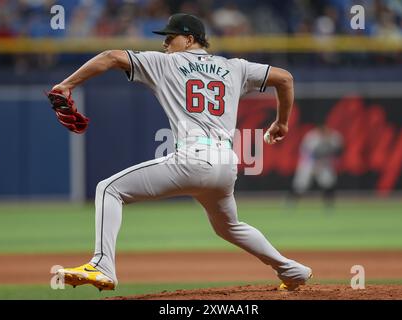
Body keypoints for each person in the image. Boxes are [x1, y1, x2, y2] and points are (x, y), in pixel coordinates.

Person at [54, 13, 312, 291]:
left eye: (170, 38)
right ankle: (291, 269)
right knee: (229, 226)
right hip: (226, 164)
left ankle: (102, 265)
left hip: (193, 158)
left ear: (190, 40)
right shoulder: (235, 67)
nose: (165, 44)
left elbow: (110, 56)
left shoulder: (164, 63)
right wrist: (281, 121)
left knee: (108, 189)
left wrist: (67, 84)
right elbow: (284, 78)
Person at [291, 123, 343, 208]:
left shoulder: (334, 137)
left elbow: (339, 151)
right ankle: (292, 203)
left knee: (328, 181)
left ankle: (329, 205)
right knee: (301, 183)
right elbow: (306, 153)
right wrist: (316, 163)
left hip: (324, 163)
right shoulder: (312, 137)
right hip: (309, 163)